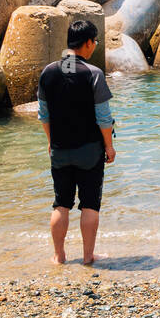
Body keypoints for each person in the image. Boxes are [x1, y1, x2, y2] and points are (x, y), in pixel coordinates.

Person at [37, 20, 115, 266]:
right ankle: (88, 256)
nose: (94, 47)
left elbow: (44, 115)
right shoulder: (94, 74)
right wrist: (109, 147)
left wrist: (51, 142)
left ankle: (59, 256)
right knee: (90, 205)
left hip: (59, 149)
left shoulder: (48, 71)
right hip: (90, 151)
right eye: (95, 42)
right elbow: (104, 119)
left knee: (61, 204)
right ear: (89, 42)